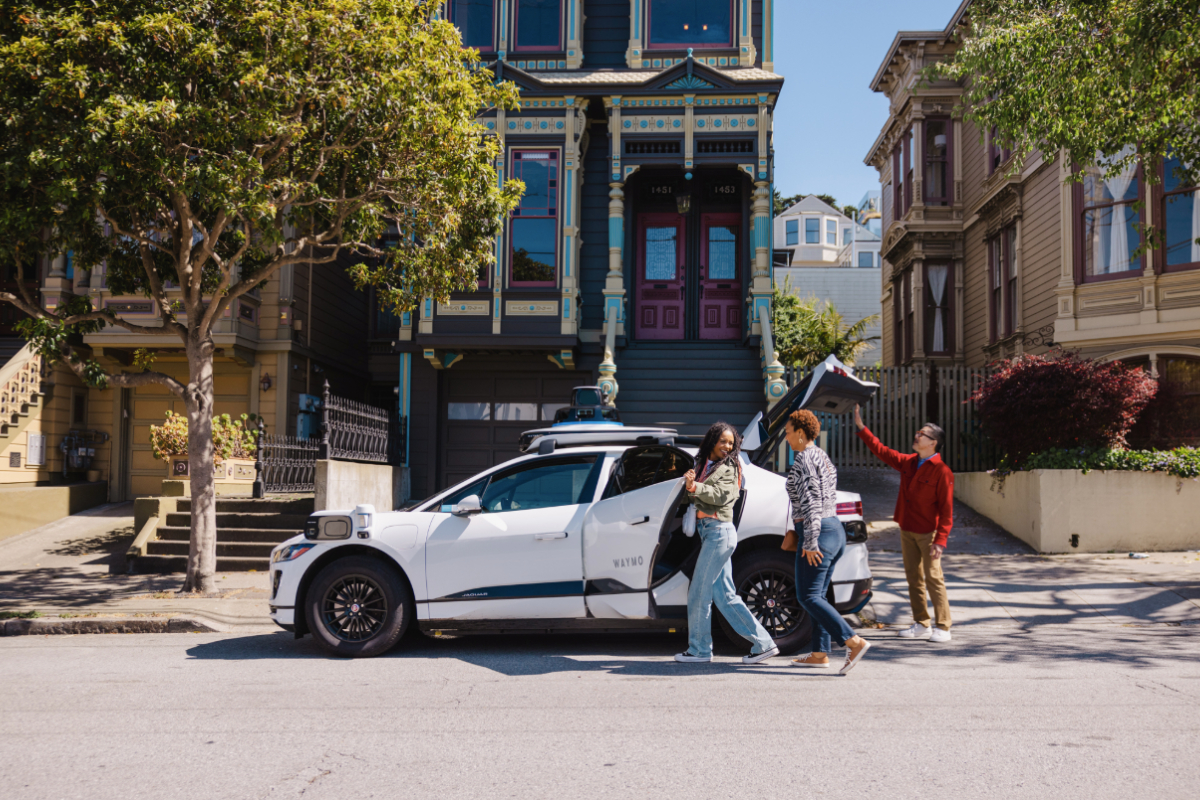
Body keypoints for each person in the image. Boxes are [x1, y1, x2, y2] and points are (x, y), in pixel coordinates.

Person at [674, 422, 779, 665]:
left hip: (719, 532)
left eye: (731, 443)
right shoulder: (702, 465)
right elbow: (694, 496)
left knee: (699, 593)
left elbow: (722, 496)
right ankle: (764, 644)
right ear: (712, 441)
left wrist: (695, 486)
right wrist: (689, 483)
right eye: (723, 441)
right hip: (709, 533)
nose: (727, 446)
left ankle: (699, 650)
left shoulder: (731, 467)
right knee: (725, 597)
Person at [854, 405, 954, 643]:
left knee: (933, 578)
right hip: (907, 529)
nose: (917, 436)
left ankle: (943, 626)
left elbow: (947, 511)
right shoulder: (910, 462)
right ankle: (921, 623)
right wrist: (861, 428)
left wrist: (941, 539)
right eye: (918, 433)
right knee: (913, 578)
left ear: (933, 443)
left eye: (922, 434)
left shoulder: (942, 471)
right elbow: (882, 451)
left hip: (928, 533)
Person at [784, 409, 872, 674]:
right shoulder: (822, 456)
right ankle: (820, 653)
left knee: (807, 596)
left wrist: (810, 541)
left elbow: (811, 503)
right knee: (818, 595)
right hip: (834, 530)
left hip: (818, 532)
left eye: (788, 432)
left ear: (800, 433)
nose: (786, 438)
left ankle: (853, 641)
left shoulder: (804, 459)